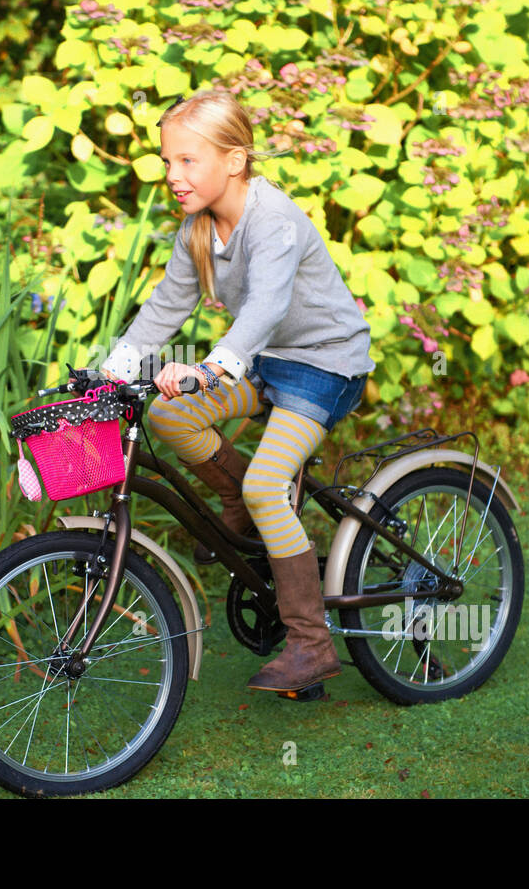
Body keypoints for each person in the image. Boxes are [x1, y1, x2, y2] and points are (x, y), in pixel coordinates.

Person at [96, 88, 376, 694]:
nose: (172, 174)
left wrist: (213, 366)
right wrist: (110, 371)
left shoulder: (272, 220)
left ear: (235, 160)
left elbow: (268, 307)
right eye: (167, 161)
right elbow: (165, 307)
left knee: (267, 483)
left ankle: (310, 642)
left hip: (324, 366)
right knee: (172, 416)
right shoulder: (199, 230)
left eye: (187, 160)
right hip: (265, 362)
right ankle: (243, 512)